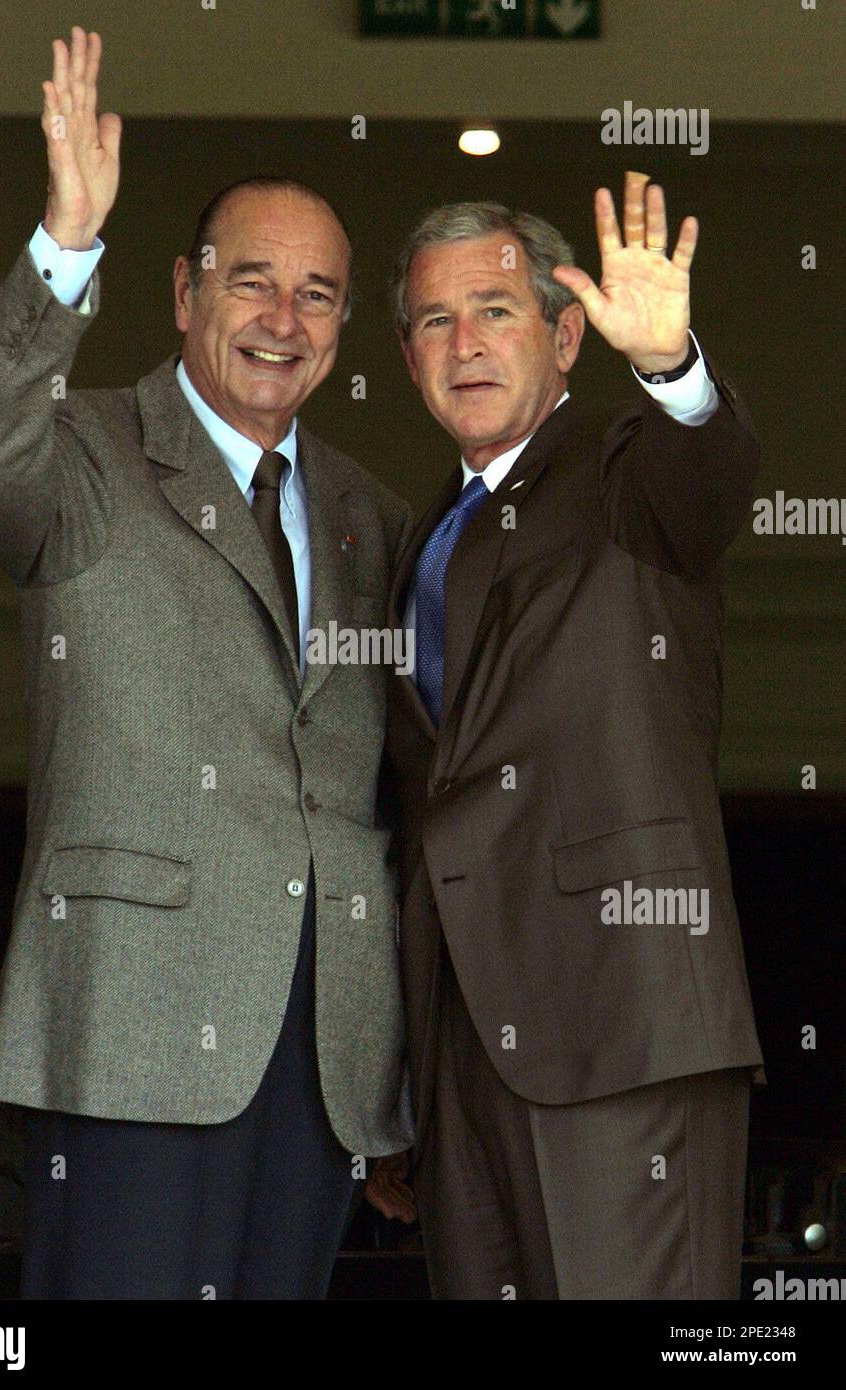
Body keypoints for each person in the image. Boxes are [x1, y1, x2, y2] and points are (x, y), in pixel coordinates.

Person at [0, 25, 414, 1300]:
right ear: (183, 291)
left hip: (323, 1048)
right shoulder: (83, 453)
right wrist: (63, 241)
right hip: (132, 1021)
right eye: (250, 280)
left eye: (317, 294)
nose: (281, 317)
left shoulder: (369, 512)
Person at [383, 174, 765, 1298]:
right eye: (435, 321)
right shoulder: (416, 544)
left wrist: (670, 368)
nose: (464, 342)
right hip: (462, 1061)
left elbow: (710, 471)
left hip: (624, 1029)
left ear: (563, 337)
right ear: (407, 361)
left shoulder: (623, 474)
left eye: (496, 310)